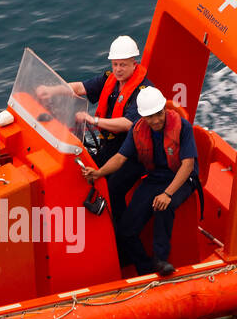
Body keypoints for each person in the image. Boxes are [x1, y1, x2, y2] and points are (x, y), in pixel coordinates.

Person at [36, 35, 153, 232]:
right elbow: (81, 87)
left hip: (134, 153)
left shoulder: (144, 92)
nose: (117, 69)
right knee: (81, 173)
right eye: (115, 64)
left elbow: (127, 124)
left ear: (134, 63)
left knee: (113, 189)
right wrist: (52, 90)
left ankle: (122, 234)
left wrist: (94, 120)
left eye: (122, 65)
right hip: (110, 146)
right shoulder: (110, 80)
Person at [80, 86, 197, 277]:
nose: (156, 120)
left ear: (164, 110)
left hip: (182, 179)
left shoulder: (183, 128)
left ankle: (161, 260)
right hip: (155, 178)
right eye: (150, 116)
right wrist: (98, 173)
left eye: (159, 114)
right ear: (143, 117)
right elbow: (120, 158)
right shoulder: (138, 130)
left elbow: (188, 165)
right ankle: (144, 267)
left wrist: (167, 194)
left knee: (163, 206)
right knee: (126, 230)